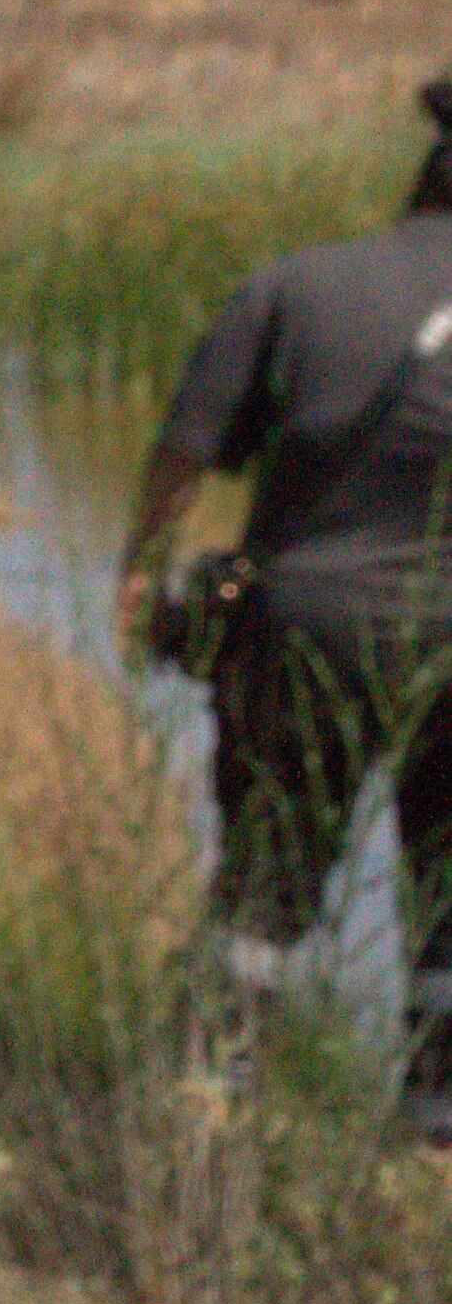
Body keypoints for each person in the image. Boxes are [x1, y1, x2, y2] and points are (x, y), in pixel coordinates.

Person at [116, 77, 452, 1142]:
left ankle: (208, 1101)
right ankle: (431, 1138)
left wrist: (137, 580)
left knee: (262, 882)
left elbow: (180, 456)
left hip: (298, 626)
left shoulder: (292, 287)